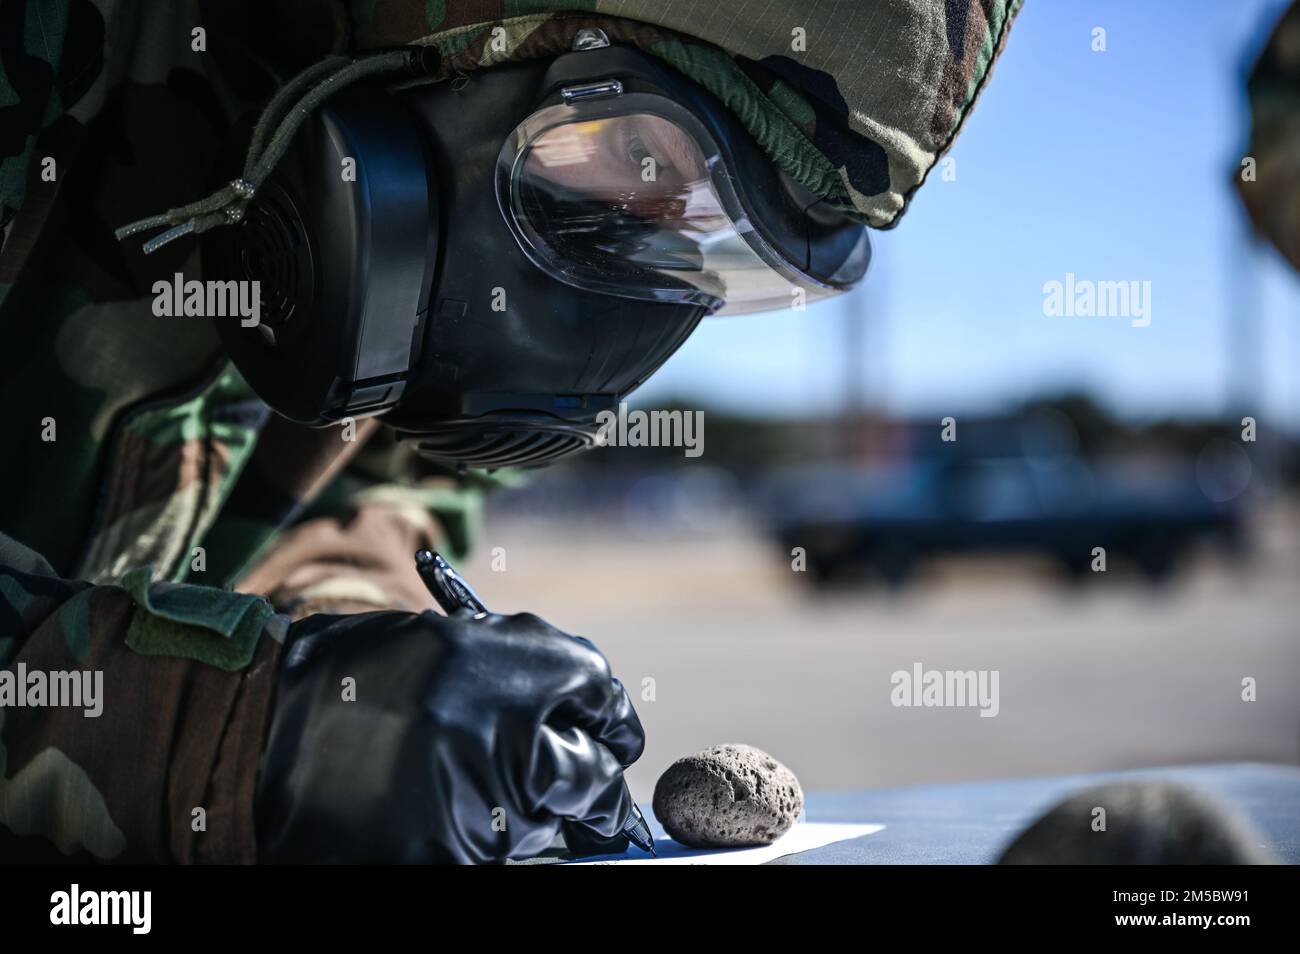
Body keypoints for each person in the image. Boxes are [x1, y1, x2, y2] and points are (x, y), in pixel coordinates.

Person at [0, 0, 1019, 863]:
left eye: (703, 240)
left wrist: (371, 664)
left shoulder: (403, 255)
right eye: (635, 155)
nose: (638, 288)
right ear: (474, 35)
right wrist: (225, 731)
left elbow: (382, 505)